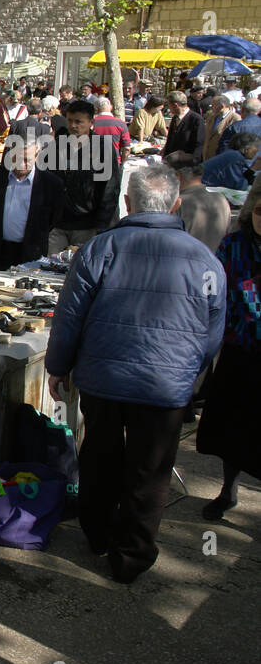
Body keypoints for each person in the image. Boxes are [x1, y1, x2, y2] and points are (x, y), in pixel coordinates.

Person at [45, 165, 224, 583]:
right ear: (176, 205)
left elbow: (70, 316)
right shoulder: (203, 259)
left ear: (128, 204)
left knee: (101, 456)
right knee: (150, 469)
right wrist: (189, 370)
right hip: (165, 384)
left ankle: (99, 534)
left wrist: (59, 367)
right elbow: (213, 331)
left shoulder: (101, 248)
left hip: (105, 377)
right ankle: (132, 553)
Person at [196, 177, 261, 519]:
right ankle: (228, 489)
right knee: (232, 424)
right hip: (240, 347)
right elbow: (217, 293)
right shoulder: (234, 245)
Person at [40, 99, 121, 253]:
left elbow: (110, 189)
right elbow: (44, 181)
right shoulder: (57, 145)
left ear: (91, 122)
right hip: (58, 224)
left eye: (79, 121)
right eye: (70, 120)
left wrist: (102, 226)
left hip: (87, 225)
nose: (73, 125)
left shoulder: (103, 148)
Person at [0, 140, 65, 270]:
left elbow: (53, 218)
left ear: (36, 156)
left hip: (29, 251)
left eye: (26, 159)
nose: (21, 164)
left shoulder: (51, 184)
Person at [172, 160, 231, 253]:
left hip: (187, 262)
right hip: (215, 262)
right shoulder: (221, 199)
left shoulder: (178, 203)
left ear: (177, 176)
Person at [164, 90, 205, 160]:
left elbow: (198, 145)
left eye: (169, 105)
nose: (168, 108)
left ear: (175, 105)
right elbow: (170, 140)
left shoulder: (196, 119)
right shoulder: (175, 118)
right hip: (172, 163)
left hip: (186, 164)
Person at [92, 97, 131, 164]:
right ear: (111, 107)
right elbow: (127, 148)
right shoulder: (121, 124)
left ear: (97, 109)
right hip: (114, 163)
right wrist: (122, 162)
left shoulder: (90, 124)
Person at [203, 96, 240, 161]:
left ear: (222, 106)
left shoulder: (235, 119)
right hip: (207, 157)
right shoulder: (211, 116)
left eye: (213, 106)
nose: (211, 108)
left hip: (222, 158)